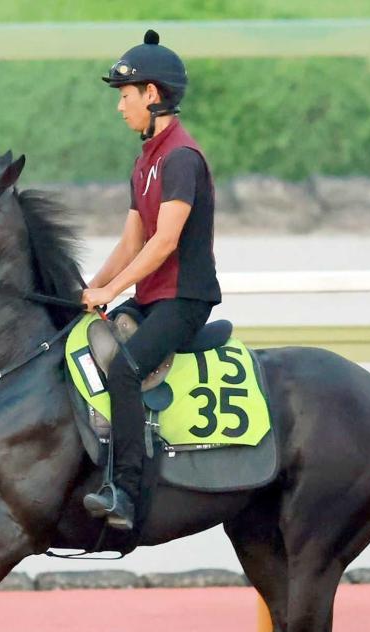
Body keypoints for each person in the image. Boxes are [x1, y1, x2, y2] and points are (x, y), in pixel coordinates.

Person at [81, 30, 221, 531]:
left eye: (125, 96)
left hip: (184, 300)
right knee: (91, 338)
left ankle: (127, 492)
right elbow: (128, 245)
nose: (121, 107)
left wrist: (111, 291)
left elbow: (163, 243)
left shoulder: (181, 157)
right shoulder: (144, 161)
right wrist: (87, 291)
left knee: (123, 370)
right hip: (152, 297)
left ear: (153, 96)